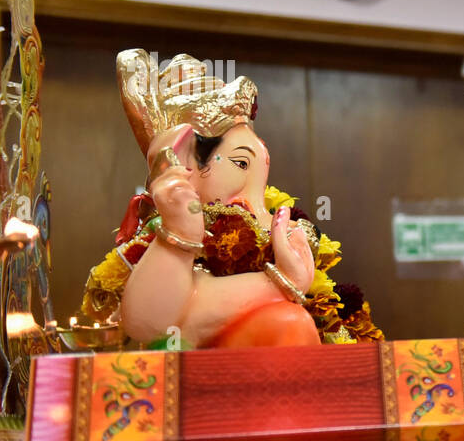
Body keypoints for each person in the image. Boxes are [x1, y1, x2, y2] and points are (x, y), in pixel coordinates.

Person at [80, 50, 382, 348]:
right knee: (288, 323)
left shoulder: (255, 240)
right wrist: (279, 282)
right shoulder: (171, 239)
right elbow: (154, 325)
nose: (253, 197)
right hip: (199, 383)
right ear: (184, 160)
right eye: (240, 163)